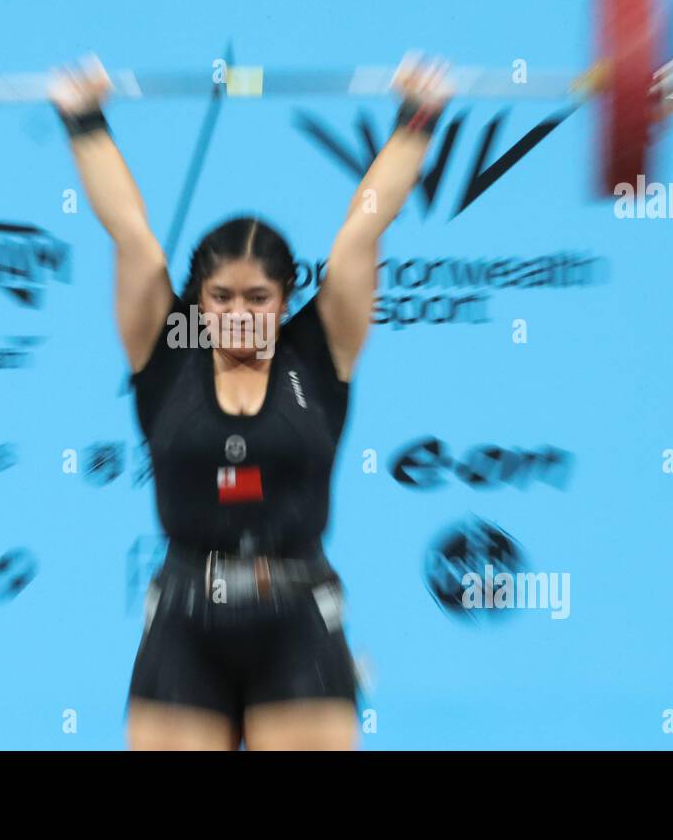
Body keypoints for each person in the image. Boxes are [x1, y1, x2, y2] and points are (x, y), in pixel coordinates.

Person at [49, 52, 452, 750]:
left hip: (298, 625)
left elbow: (363, 227)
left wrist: (418, 118)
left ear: (286, 299)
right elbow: (132, 233)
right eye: (221, 297)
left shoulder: (321, 350)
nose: (239, 313)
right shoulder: (162, 354)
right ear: (197, 303)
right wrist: (84, 119)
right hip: (183, 624)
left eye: (259, 298)